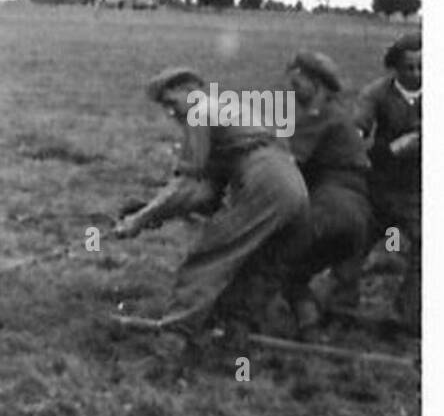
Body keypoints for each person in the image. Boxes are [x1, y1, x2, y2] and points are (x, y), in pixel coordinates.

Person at [114, 67, 309, 368]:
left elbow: (187, 185)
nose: (170, 113)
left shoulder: (199, 111)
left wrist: (138, 220)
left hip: (265, 182)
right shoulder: (227, 110)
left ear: (190, 90)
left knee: (209, 256)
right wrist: (154, 213)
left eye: (171, 102)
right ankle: (233, 345)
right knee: (256, 266)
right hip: (294, 187)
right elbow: (204, 195)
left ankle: (171, 345)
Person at [279, 51, 372, 341]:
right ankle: (311, 330)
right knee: (294, 270)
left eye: (297, 85)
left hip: (331, 207)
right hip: (358, 215)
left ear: (316, 83)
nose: (292, 92)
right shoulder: (338, 113)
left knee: (268, 256)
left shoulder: (317, 116)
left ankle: (236, 325)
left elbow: (288, 165)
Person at [344, 31, 422, 325]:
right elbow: (355, 139)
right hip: (380, 186)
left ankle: (408, 314)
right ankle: (340, 303)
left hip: (419, 192)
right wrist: (390, 149)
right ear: (395, 68)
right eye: (409, 67)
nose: (416, 73)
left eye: (422, 66)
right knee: (355, 239)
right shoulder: (375, 94)